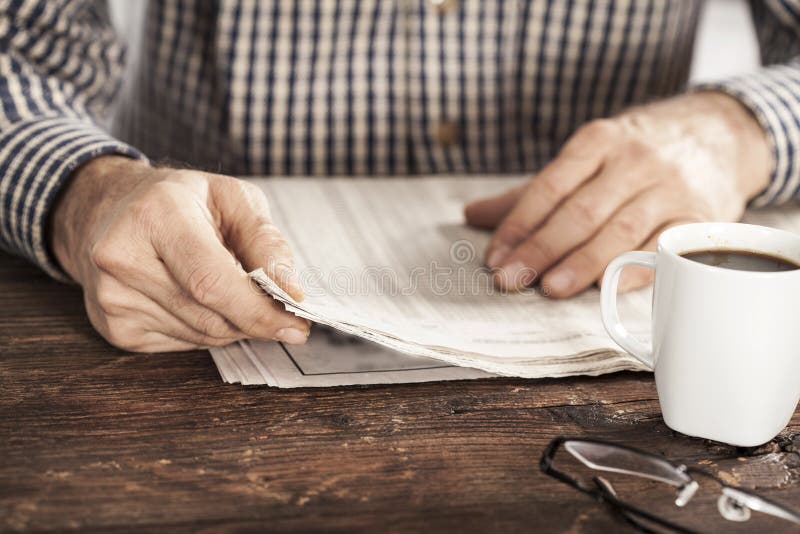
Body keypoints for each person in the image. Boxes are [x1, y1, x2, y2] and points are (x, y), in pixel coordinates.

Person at [0, 0, 796, 352]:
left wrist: (738, 129)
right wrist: (83, 193)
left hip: (611, 353)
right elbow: (17, 44)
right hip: (187, 326)